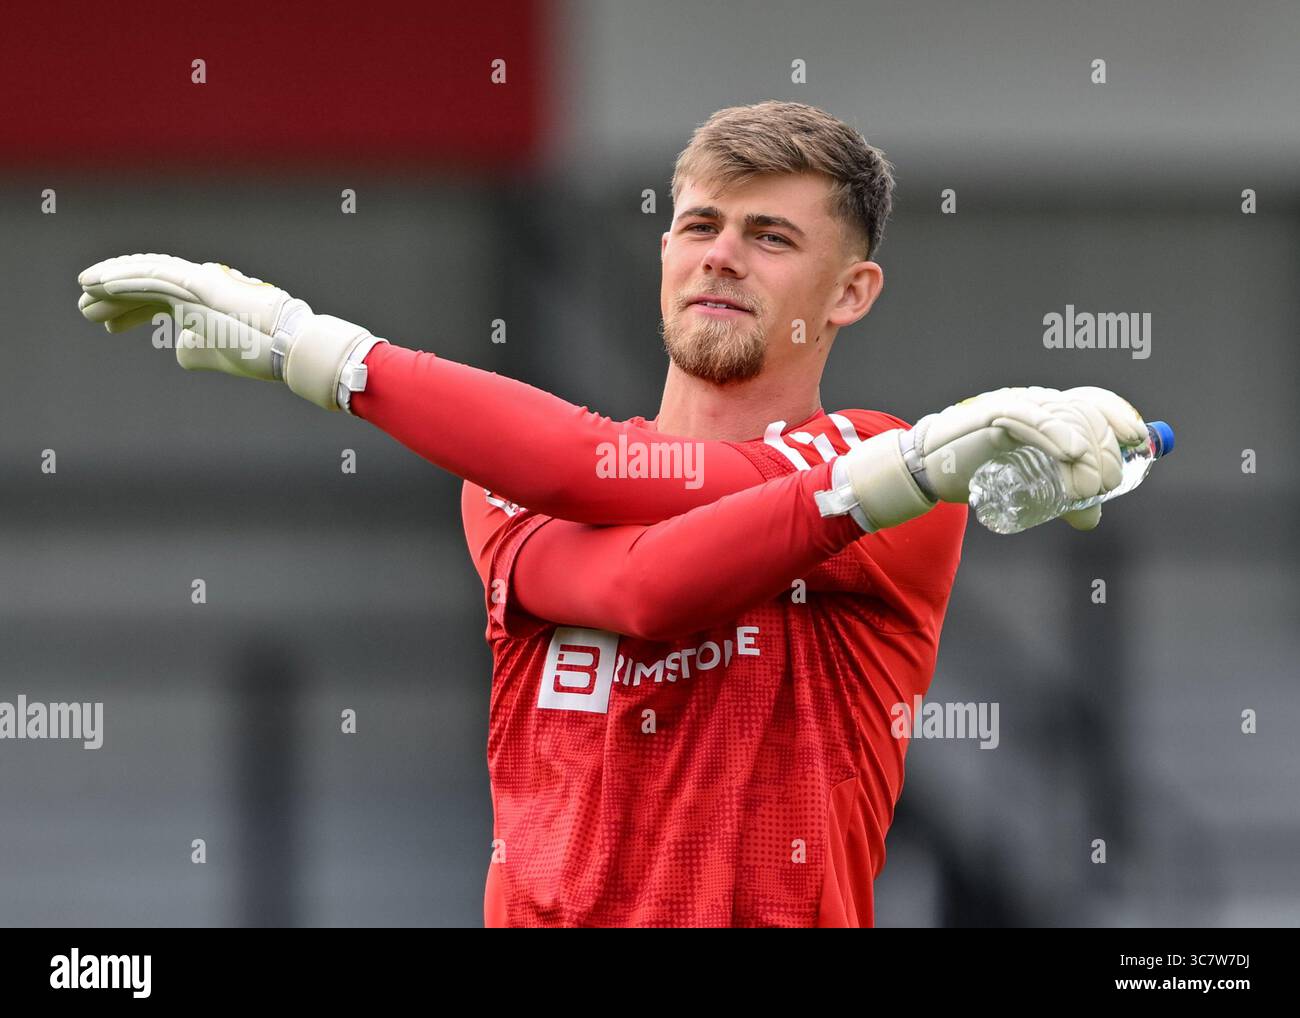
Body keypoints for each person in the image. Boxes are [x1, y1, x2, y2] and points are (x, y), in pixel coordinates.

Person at [76, 100, 1144, 927]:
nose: (720, 254)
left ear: (850, 293)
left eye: (770, 237)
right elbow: (636, 575)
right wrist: (304, 344)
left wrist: (887, 476)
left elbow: (642, 553)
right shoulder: (526, 476)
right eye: (698, 224)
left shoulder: (892, 469)